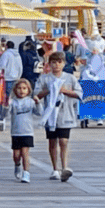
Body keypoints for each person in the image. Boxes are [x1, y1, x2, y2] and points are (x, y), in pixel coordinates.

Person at [35, 51, 82, 182]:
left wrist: (64, 91)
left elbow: (79, 93)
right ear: (49, 64)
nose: (56, 65)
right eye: (54, 62)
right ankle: (55, 168)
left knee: (64, 141)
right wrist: (49, 90)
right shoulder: (44, 78)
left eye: (59, 62)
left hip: (65, 113)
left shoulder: (70, 78)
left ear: (64, 64)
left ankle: (65, 167)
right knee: (52, 141)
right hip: (50, 115)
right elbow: (36, 95)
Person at [8, 79, 37, 183]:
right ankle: (17, 165)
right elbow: (5, 114)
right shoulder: (13, 102)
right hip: (16, 132)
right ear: (15, 90)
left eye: (24, 88)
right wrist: (6, 105)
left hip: (27, 131)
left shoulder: (30, 101)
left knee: (25, 152)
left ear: (28, 90)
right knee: (16, 155)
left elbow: (39, 112)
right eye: (19, 88)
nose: (22, 90)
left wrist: (38, 103)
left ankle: (26, 173)